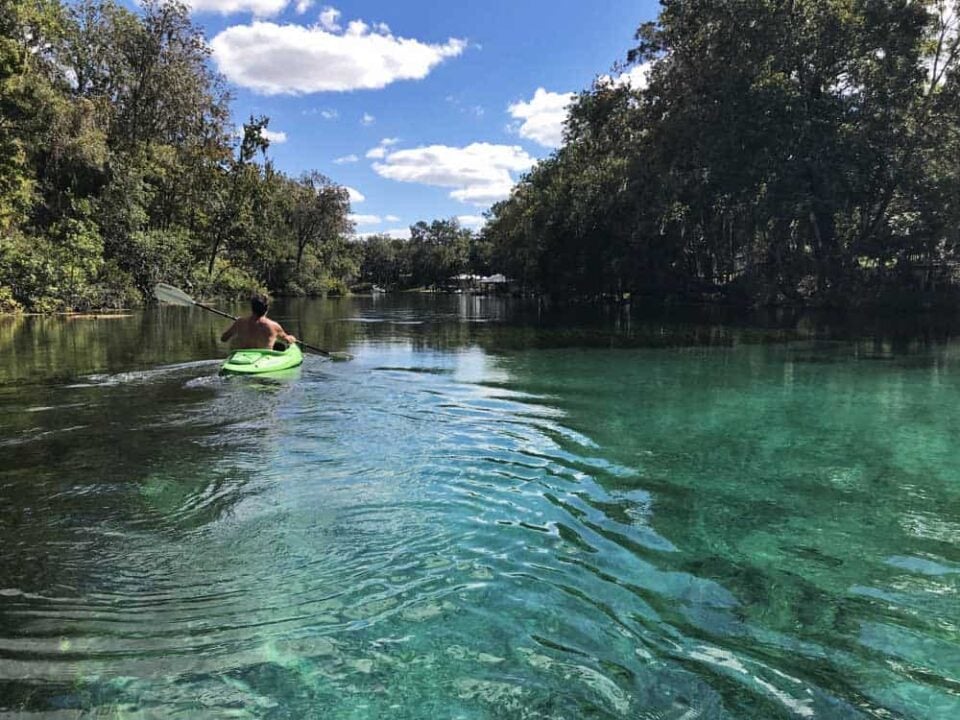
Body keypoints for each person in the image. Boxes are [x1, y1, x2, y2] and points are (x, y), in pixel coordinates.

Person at [221, 293, 297, 350]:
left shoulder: (240, 322)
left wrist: (237, 323)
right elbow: (287, 340)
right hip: (264, 359)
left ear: (252, 308)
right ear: (267, 308)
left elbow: (223, 339)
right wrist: (292, 338)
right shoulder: (274, 326)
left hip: (244, 356)